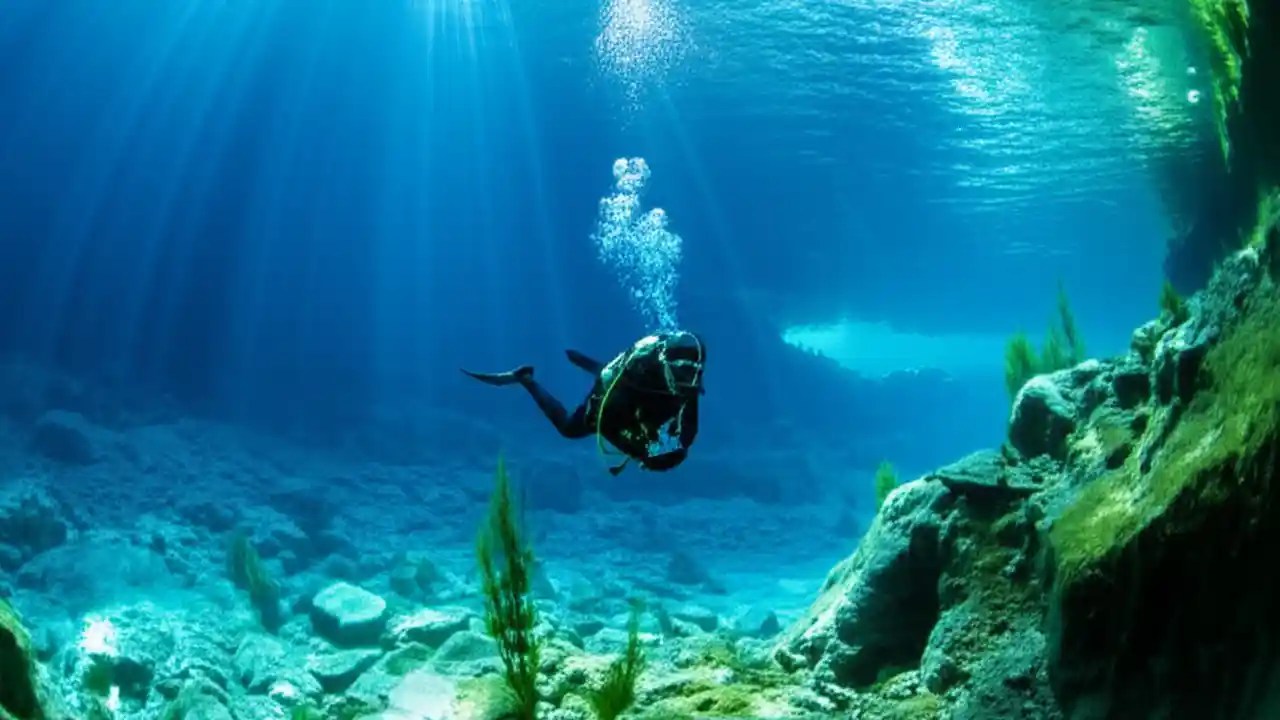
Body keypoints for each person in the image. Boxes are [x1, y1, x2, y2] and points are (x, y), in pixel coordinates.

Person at [462, 330, 705, 475]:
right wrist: (638, 452)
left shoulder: (688, 378)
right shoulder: (640, 370)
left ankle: (587, 364)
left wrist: (675, 447)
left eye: (691, 374)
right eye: (680, 374)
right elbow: (607, 423)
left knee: (659, 419)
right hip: (616, 397)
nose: (685, 382)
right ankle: (525, 379)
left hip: (638, 397)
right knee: (569, 429)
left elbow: (689, 429)